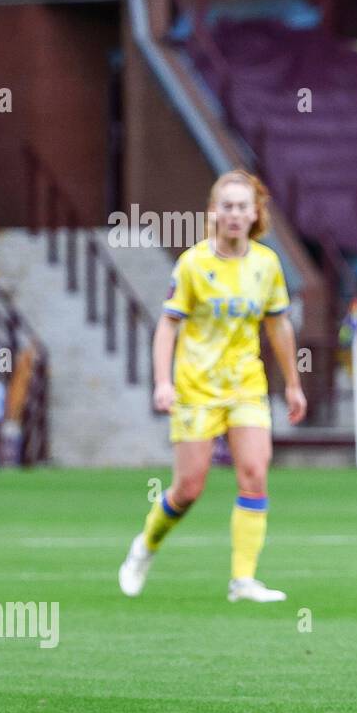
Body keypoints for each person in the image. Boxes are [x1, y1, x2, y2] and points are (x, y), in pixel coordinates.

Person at [119, 170, 307, 602]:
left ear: (255, 213)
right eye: (228, 206)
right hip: (195, 388)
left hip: (246, 385)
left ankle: (243, 580)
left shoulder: (266, 265)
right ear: (213, 213)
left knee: (255, 474)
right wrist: (162, 382)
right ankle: (145, 546)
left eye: (244, 206)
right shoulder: (193, 264)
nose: (236, 214)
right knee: (189, 488)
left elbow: (279, 328)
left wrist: (293, 385)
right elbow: (168, 326)